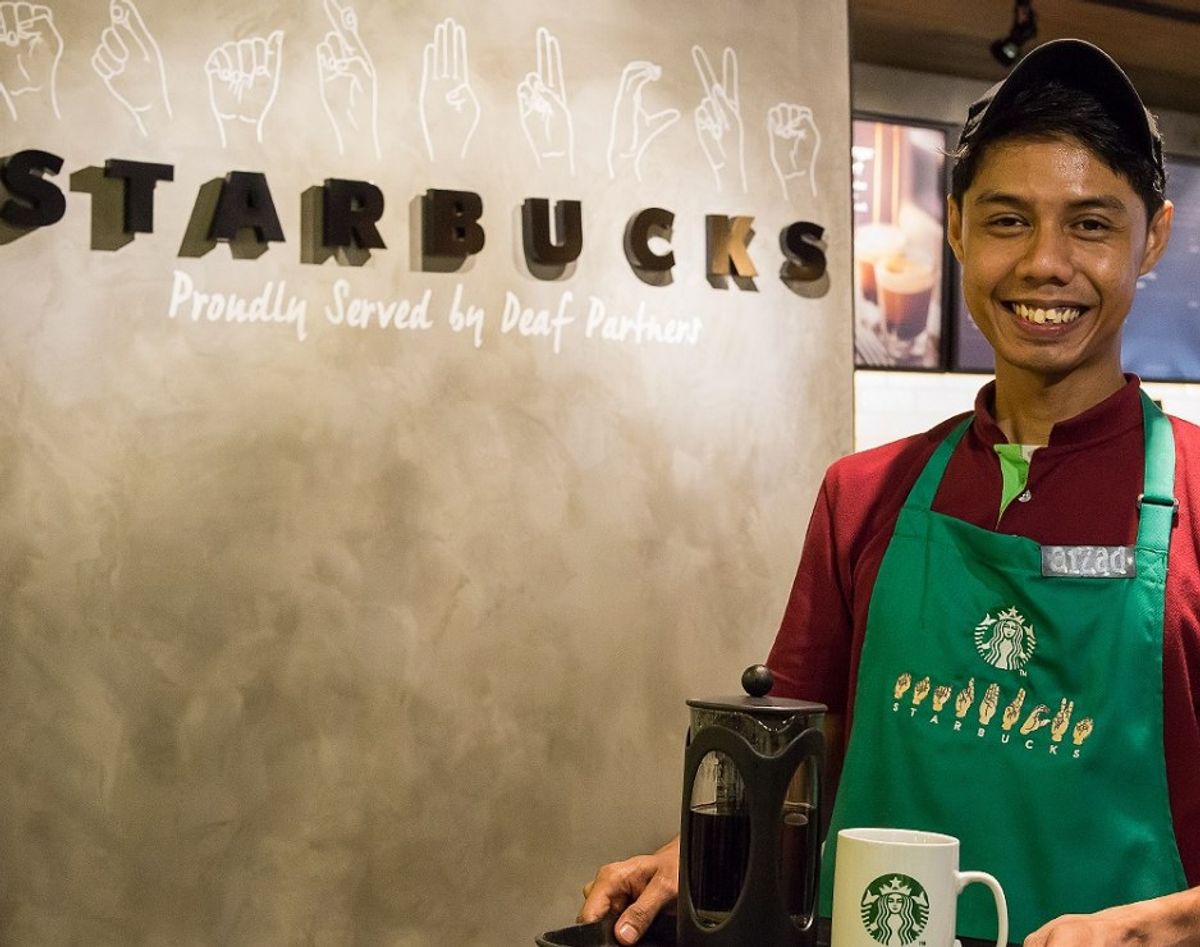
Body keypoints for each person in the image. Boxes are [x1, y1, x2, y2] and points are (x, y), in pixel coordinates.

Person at [579, 39, 1200, 946]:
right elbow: (802, 756)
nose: (1045, 264)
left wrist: (1165, 927)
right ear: (952, 229)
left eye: (1092, 224)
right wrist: (702, 850)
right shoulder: (864, 494)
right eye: (1007, 220)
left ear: (1153, 237)